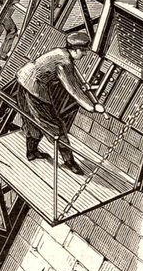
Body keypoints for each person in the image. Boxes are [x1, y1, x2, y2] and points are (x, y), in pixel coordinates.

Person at [14, 32, 105, 172]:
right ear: (75, 50)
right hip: (35, 91)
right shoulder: (65, 62)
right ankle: (70, 162)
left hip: (22, 82)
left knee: (31, 121)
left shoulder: (60, 52)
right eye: (84, 51)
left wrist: (82, 85)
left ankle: (31, 152)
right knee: (57, 127)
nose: (85, 54)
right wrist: (93, 107)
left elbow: (72, 77)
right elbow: (72, 90)